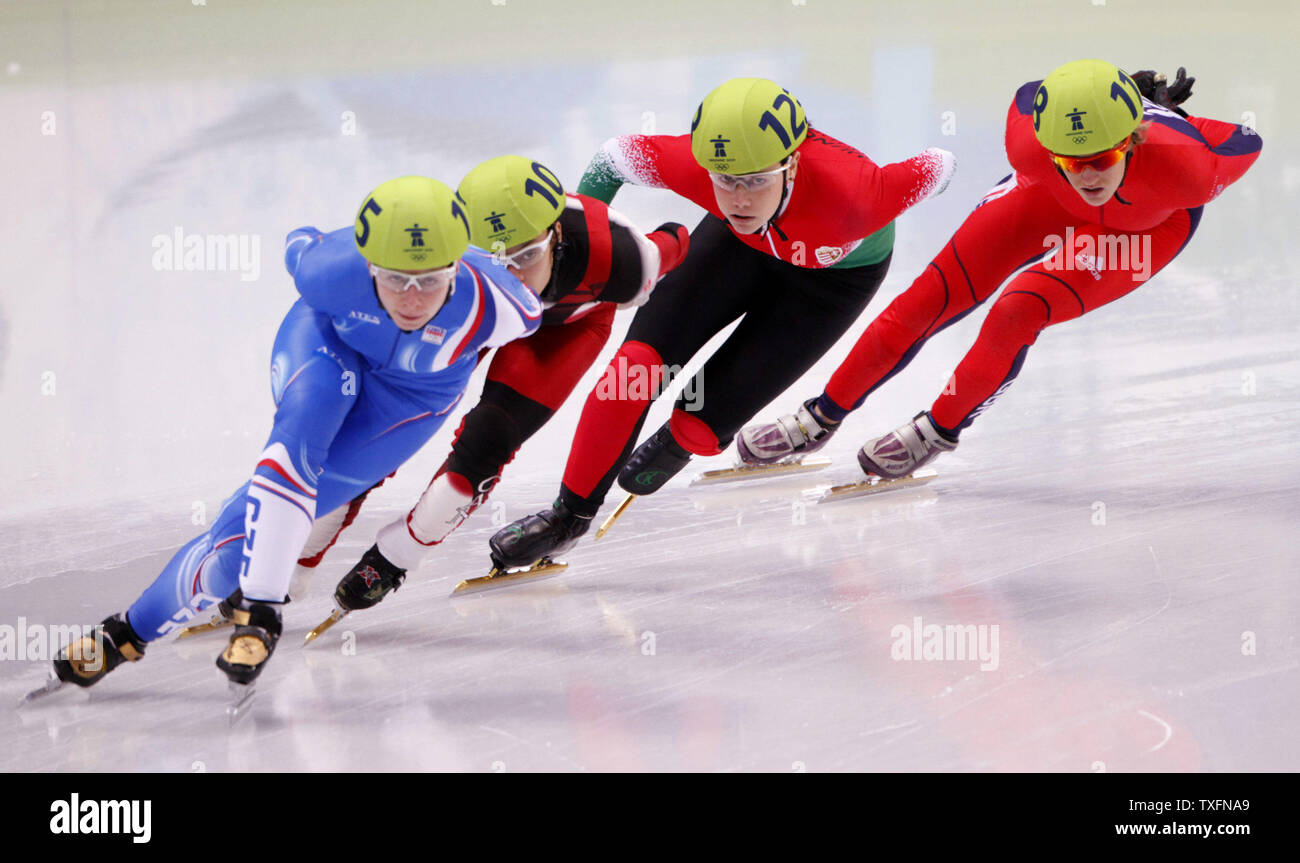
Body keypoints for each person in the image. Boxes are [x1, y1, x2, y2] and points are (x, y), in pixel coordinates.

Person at [44, 176, 542, 692]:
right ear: (369, 265)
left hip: (409, 402)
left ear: (457, 268)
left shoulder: (507, 308)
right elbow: (299, 239)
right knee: (304, 431)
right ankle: (256, 610)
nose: (412, 299)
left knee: (235, 547)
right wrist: (263, 603)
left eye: (431, 280)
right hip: (327, 344)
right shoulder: (326, 269)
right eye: (395, 279)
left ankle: (125, 633)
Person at [489, 77, 956, 570]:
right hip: (738, 245)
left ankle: (682, 438)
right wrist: (587, 252)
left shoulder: (860, 194)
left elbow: (941, 164)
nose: (739, 198)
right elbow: (611, 160)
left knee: (699, 427)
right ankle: (567, 519)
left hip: (831, 284)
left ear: (792, 163)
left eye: (755, 180)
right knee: (633, 372)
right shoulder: (698, 170)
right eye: (724, 179)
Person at [737, 60, 1261, 479]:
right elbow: (1031, 91)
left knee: (1019, 309)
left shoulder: (1189, 168)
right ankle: (821, 416)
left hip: (1145, 226)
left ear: (1132, 139)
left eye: (1100, 159)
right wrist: (1106, 99)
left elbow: (1247, 140)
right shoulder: (1028, 145)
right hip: (1044, 198)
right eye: (1071, 160)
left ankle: (939, 428)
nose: (1087, 176)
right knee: (928, 296)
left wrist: (1166, 114)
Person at [318, 156, 689, 614]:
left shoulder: (627, 258)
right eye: (494, 261)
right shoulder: (443, 264)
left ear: (557, 233)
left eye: (526, 256)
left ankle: (395, 558)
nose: (513, 279)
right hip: (477, 315)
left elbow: (677, 238)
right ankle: (303, 545)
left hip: (563, 330)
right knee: (388, 424)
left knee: (488, 438)